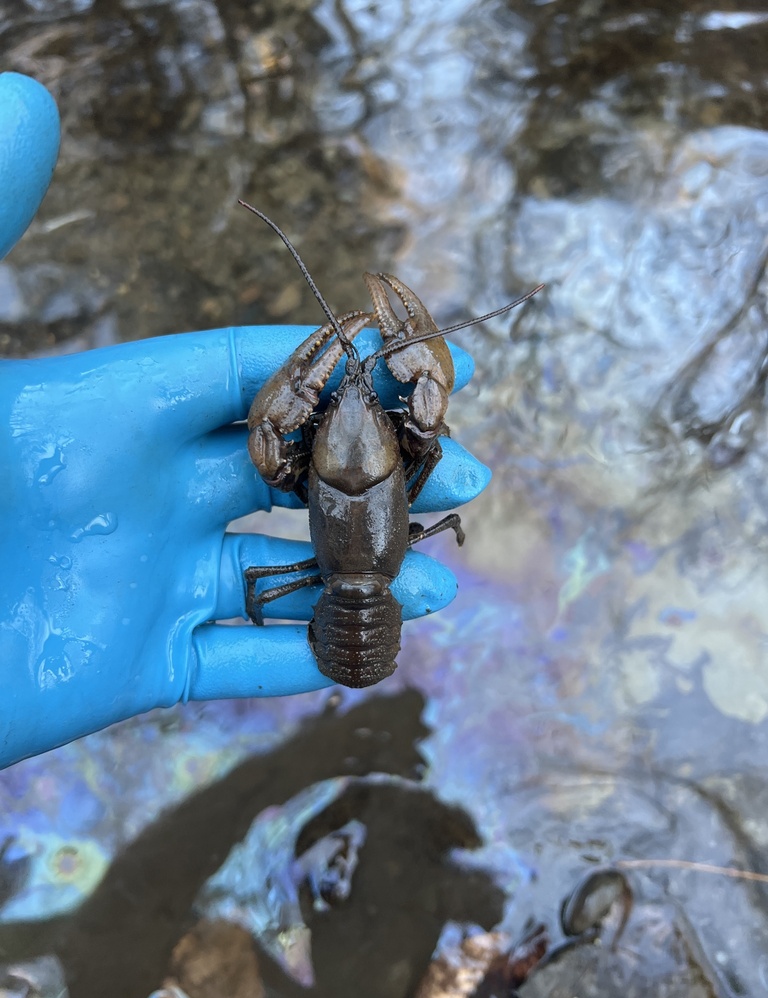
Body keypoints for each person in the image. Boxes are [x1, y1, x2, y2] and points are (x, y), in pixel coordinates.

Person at [0, 72, 490, 769]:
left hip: (346, 607)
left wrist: (314, 398)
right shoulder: (410, 453)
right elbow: (429, 444)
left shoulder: (298, 465)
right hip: (353, 603)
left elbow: (268, 446)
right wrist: (413, 423)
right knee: (437, 458)